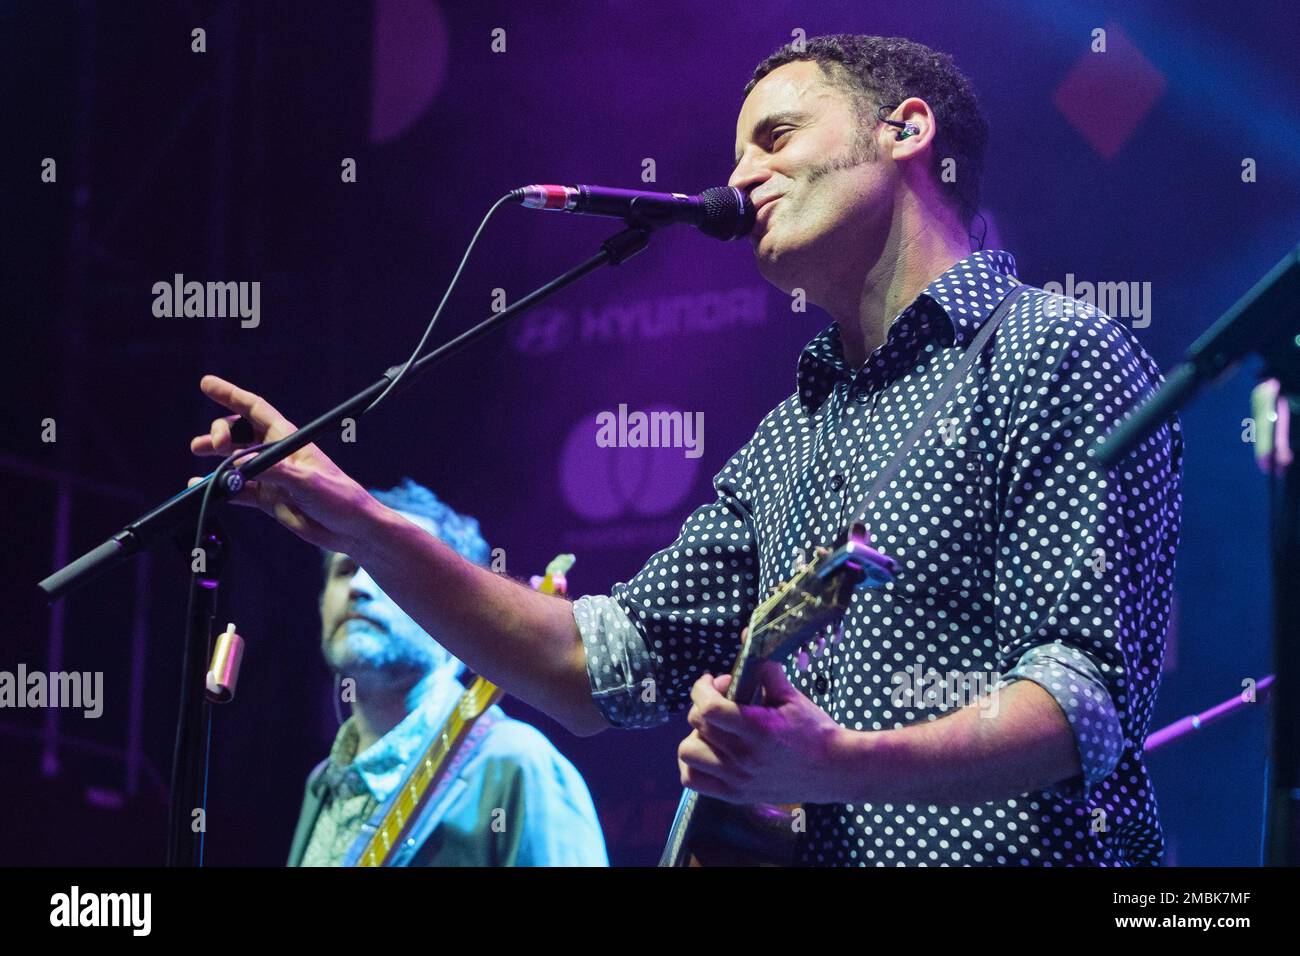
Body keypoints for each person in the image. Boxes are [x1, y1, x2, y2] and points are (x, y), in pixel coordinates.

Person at [192, 35, 1182, 866]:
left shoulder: (1051, 347)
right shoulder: (794, 430)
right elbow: (591, 665)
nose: (740, 175)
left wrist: (829, 761)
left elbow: (1085, 701)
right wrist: (356, 517)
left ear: (906, 130)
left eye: (776, 137)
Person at [287, 477, 608, 867]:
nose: (359, 586)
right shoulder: (321, 784)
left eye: (383, 569)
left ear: (458, 615)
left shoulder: (519, 764)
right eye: (345, 568)